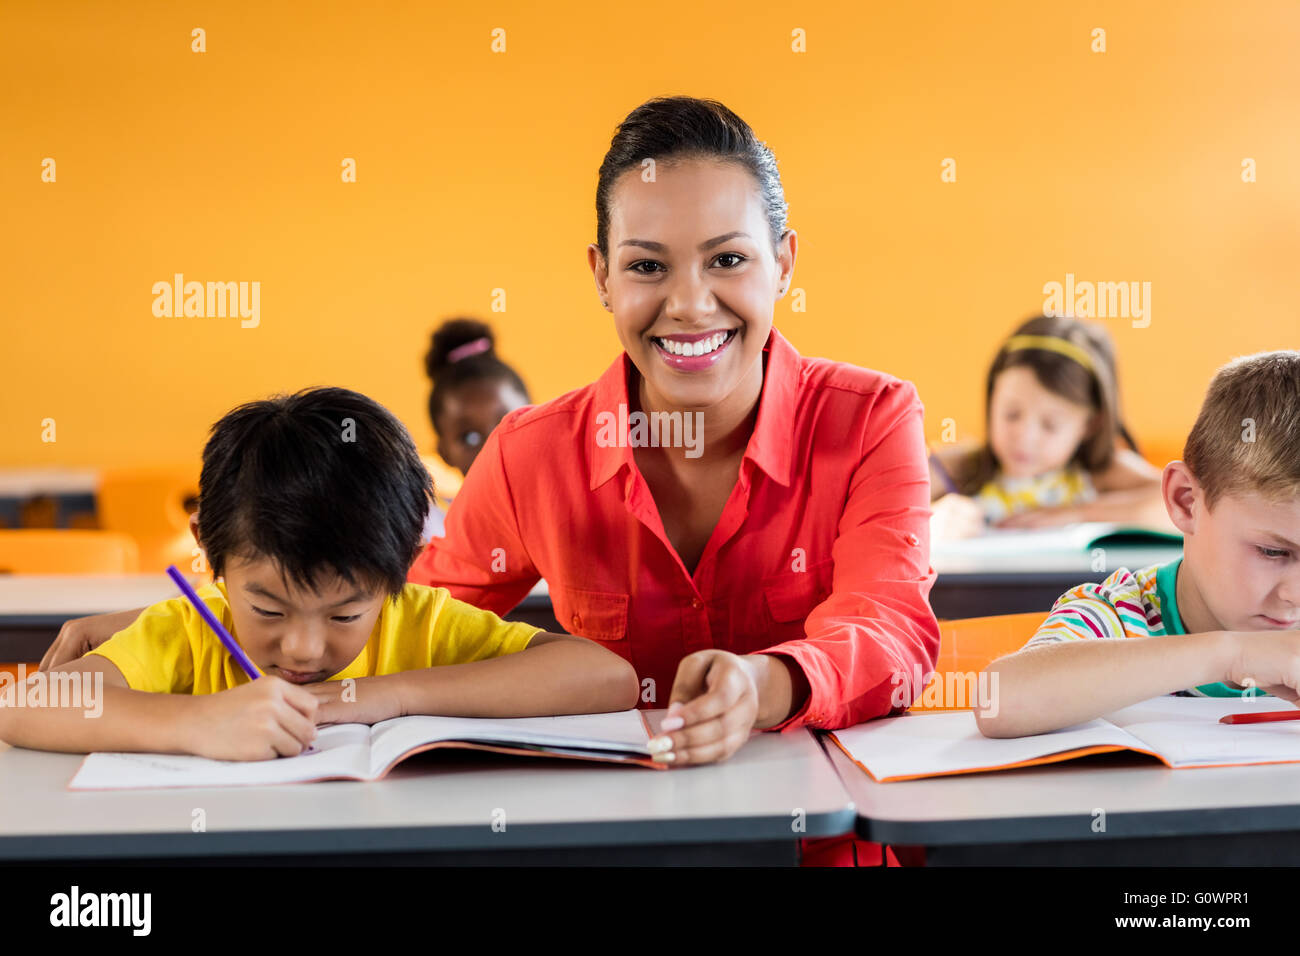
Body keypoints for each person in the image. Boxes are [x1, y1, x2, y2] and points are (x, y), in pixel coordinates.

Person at [408, 95, 939, 772]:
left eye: (726, 261)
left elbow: (888, 629)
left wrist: (761, 685)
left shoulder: (871, 420)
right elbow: (412, 630)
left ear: (783, 264)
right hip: (615, 839)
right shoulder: (529, 454)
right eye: (648, 266)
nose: (689, 305)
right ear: (602, 277)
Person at [6, 387, 637, 758]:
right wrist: (196, 724)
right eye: (269, 609)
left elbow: (608, 678)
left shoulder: (418, 623)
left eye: (344, 614)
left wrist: (394, 695)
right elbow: (25, 701)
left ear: (403, 563)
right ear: (208, 551)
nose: (305, 648)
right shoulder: (191, 628)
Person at [976, 351, 1300, 738]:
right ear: (1186, 501)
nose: (1294, 595)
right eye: (1273, 552)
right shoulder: (1122, 617)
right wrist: (1232, 656)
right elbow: (999, 700)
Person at [929, 314, 1165, 540]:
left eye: (1050, 425)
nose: (1025, 437)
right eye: (1011, 414)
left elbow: (1180, 502)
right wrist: (931, 521)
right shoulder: (957, 468)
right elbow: (894, 505)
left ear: (1091, 425)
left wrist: (1077, 514)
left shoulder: (1097, 474)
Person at [419, 318, 531, 540]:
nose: (494, 447)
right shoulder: (437, 533)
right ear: (444, 453)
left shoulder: (577, 502)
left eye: (510, 423)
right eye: (469, 438)